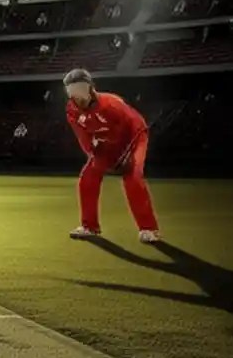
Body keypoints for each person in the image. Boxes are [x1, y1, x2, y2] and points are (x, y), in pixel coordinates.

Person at [63, 68, 162, 244]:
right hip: (105, 140)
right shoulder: (72, 109)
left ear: (91, 88)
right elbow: (83, 137)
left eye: (80, 89)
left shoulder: (111, 105)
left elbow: (124, 133)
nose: (77, 96)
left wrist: (121, 159)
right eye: (72, 92)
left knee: (133, 177)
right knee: (87, 178)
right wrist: (95, 156)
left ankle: (149, 229)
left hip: (134, 135)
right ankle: (89, 226)